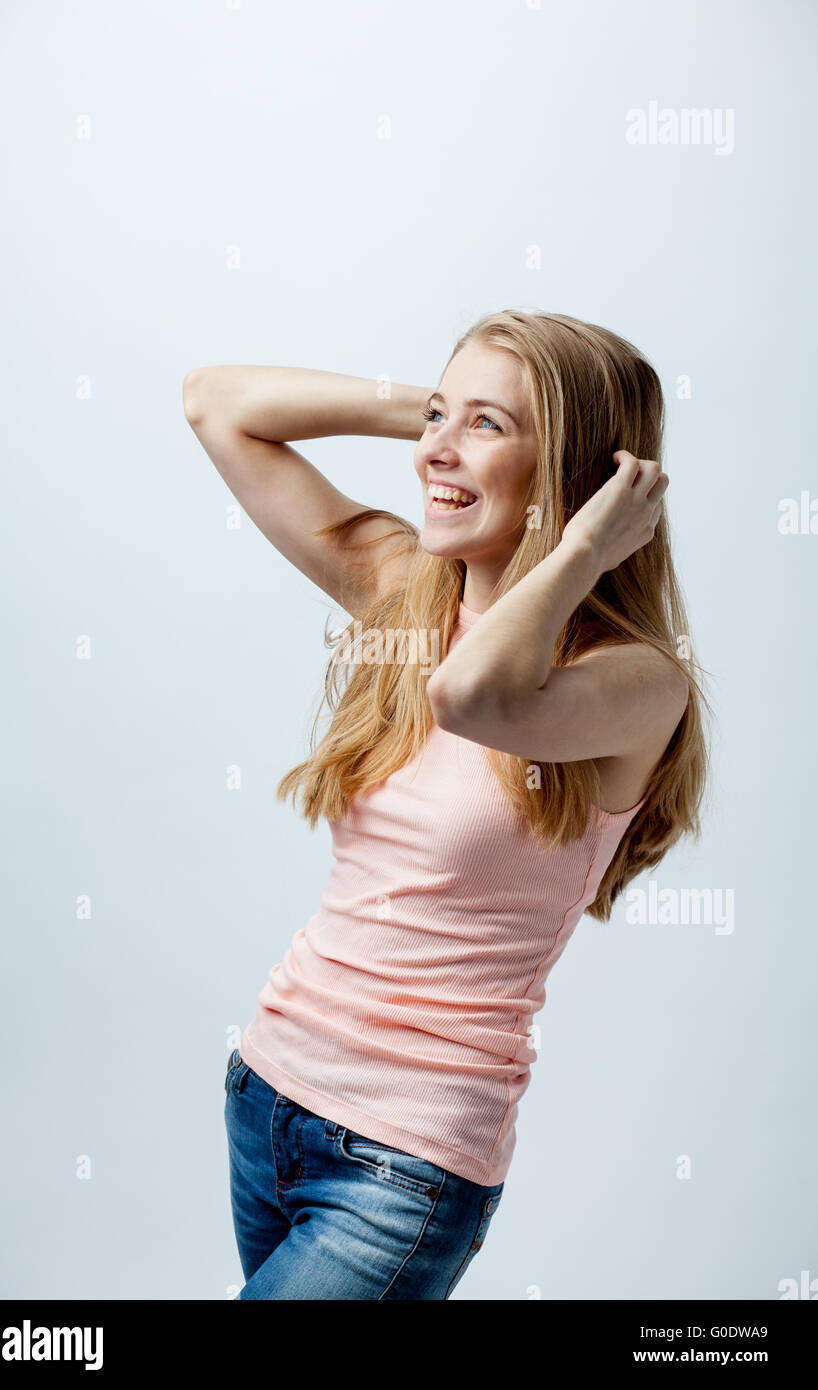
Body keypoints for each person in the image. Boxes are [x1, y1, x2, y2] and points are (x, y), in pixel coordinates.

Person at [182, 309, 709, 1300]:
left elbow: (473, 697)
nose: (435, 449)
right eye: (439, 414)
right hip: (266, 1091)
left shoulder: (634, 681)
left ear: (584, 477)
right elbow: (214, 403)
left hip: (404, 1160)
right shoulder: (403, 588)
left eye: (489, 426)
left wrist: (584, 545)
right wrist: (428, 417)